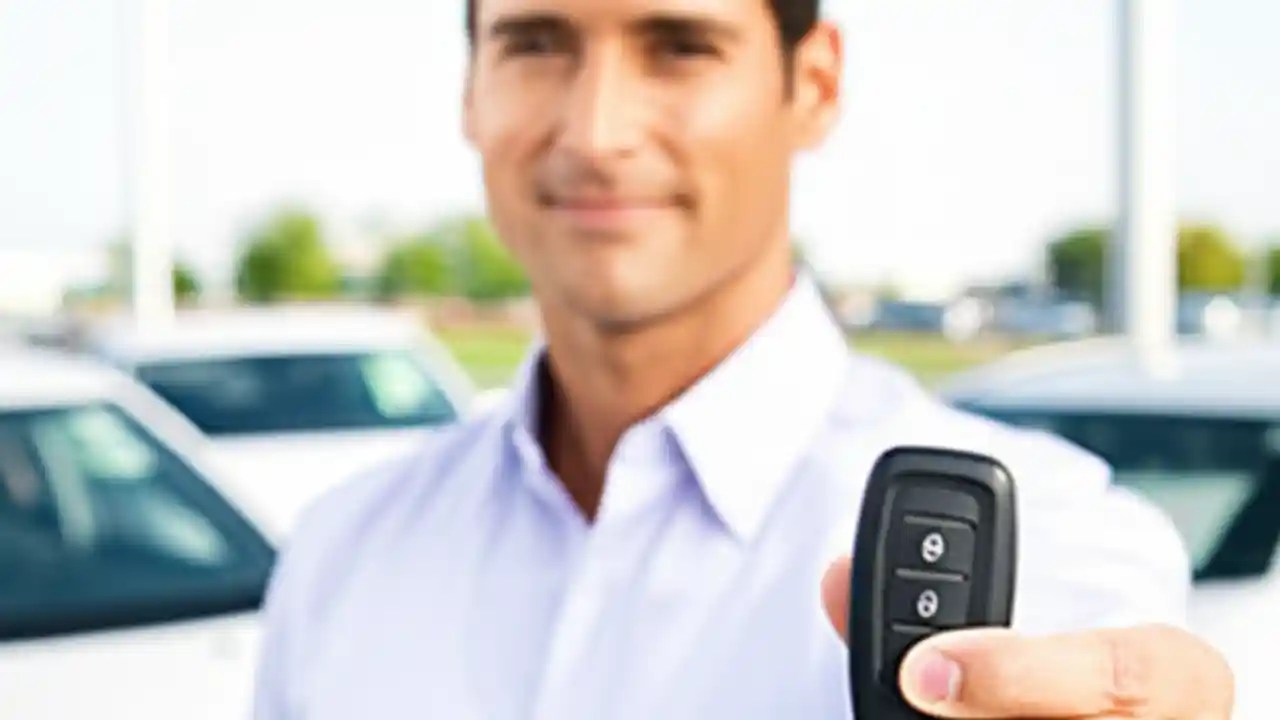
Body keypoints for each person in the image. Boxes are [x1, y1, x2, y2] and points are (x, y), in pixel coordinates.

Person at [253, 0, 1234, 717]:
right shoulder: (340, 553)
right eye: (535, 42)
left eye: (678, 45)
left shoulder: (1053, 549)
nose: (595, 134)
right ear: (470, 89)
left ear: (811, 85)